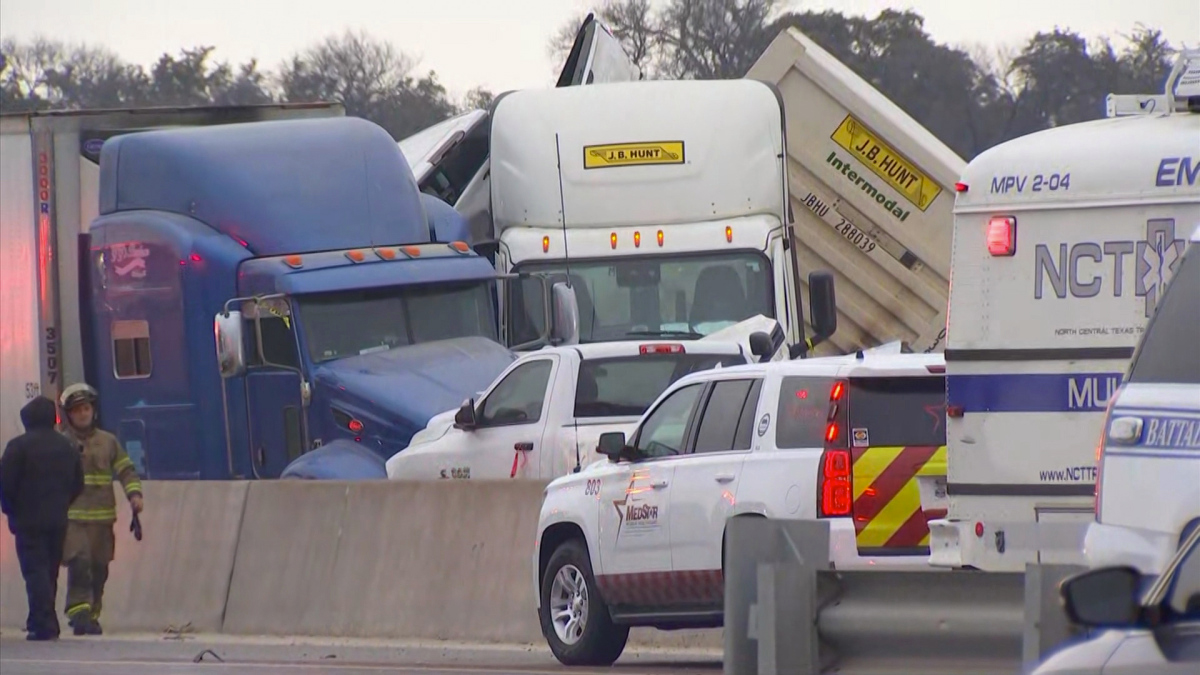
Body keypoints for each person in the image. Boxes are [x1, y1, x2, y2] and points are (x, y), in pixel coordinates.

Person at [58, 383, 144, 636]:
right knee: (80, 562)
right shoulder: (63, 443)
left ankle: (92, 613)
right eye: (76, 410)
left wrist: (135, 495)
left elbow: (126, 470)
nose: (82, 414)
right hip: (73, 518)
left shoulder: (109, 442)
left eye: (86, 408)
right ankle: (79, 612)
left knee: (99, 566)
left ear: (93, 411)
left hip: (103, 518)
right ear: (69, 415)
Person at [0, 396, 85, 641]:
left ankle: (43, 622)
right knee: (49, 571)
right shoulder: (66, 446)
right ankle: (41, 618)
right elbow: (78, 483)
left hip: (28, 519)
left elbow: (5, 484)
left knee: (34, 571)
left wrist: (11, 511)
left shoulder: (18, 447)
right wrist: (62, 504)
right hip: (57, 519)